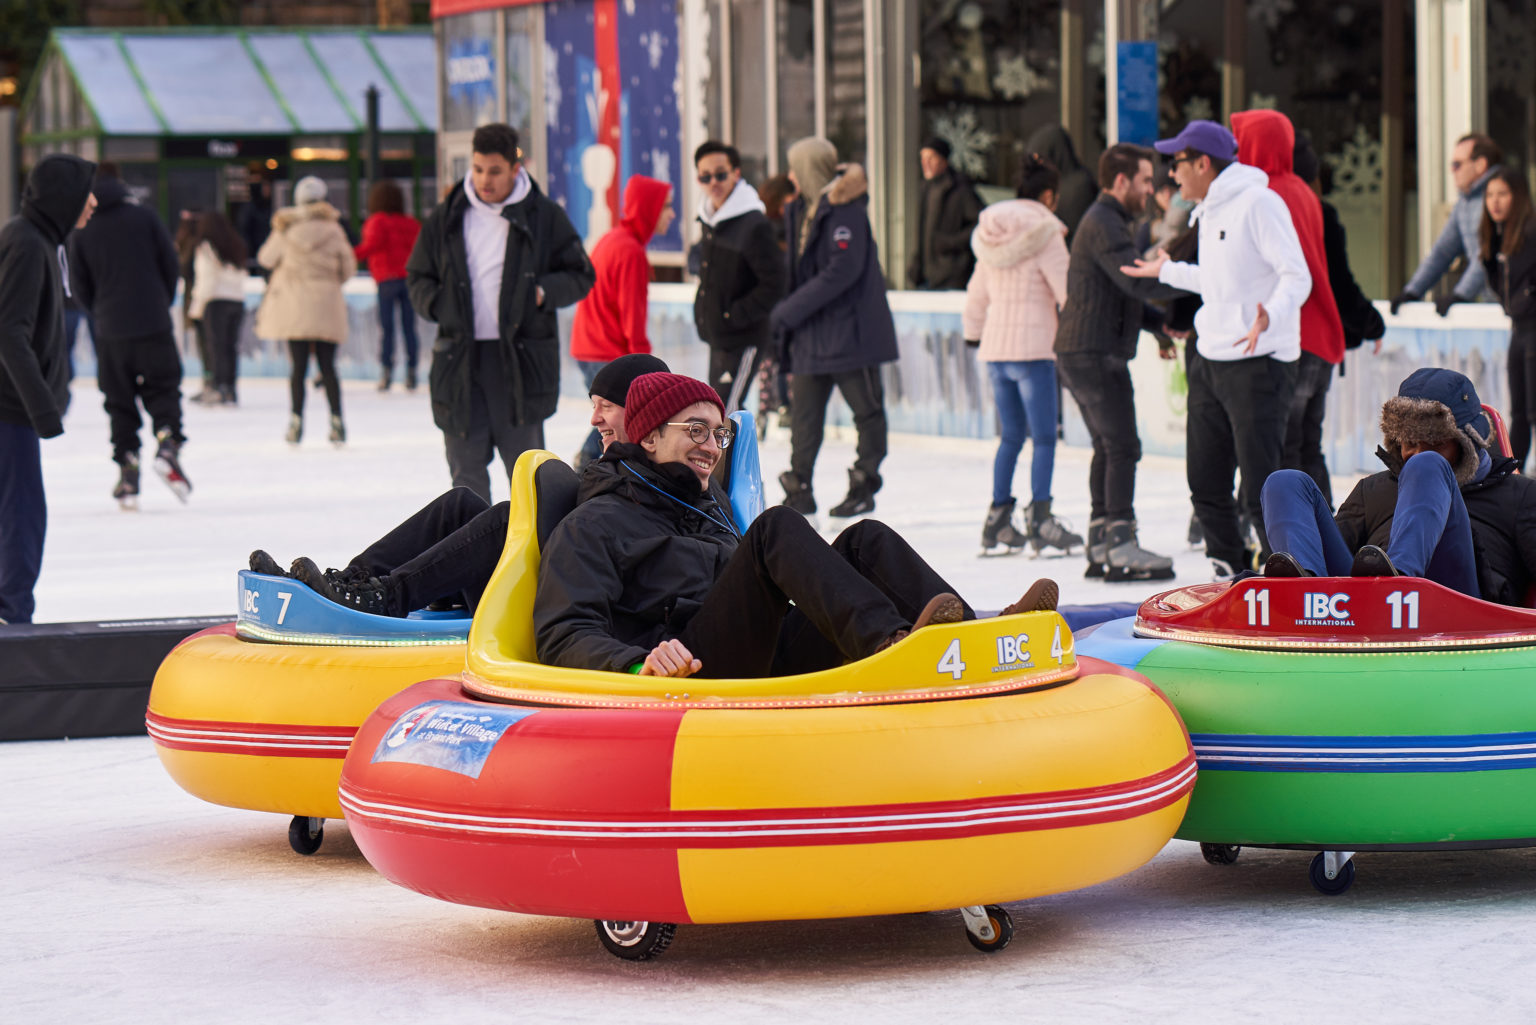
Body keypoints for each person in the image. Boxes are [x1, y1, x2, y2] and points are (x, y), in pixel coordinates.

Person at [534, 371, 1059, 678]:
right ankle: (890, 649)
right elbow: (562, 633)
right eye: (695, 429)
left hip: (764, 655)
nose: (709, 447)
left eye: (718, 435)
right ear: (648, 437)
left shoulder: (705, 511)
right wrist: (636, 663)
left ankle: (972, 643)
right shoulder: (596, 521)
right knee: (773, 528)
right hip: (691, 671)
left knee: (863, 539)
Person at [253, 353, 671, 617]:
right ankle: (352, 583)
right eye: (593, 406)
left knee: (506, 519)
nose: (594, 420)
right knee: (461, 503)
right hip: (545, 581)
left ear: (640, 413)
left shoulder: (655, 479)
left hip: (549, 609)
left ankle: (387, 598)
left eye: (607, 408)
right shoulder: (616, 465)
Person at [1125, 120, 1310, 578]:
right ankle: (1231, 571)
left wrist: (1272, 312)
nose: (1173, 174)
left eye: (1178, 163)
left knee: (1261, 486)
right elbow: (1218, 280)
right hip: (1211, 357)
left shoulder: (1259, 204)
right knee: (1205, 481)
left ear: (1204, 164)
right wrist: (1168, 272)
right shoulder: (1208, 209)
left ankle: (1290, 580)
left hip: (1259, 361)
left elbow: (1296, 275)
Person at [407, 123, 595, 503]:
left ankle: (529, 559)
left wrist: (542, 292)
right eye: (477, 170)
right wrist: (439, 304)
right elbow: (417, 275)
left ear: (515, 168)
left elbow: (581, 273)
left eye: (494, 171)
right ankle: (473, 555)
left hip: (520, 365)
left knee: (527, 478)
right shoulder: (448, 216)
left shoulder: (544, 215)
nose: (484, 180)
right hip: (460, 362)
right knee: (465, 478)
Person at [1261, 368, 1536, 607]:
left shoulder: (1519, 496)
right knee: (1284, 482)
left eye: (1434, 443)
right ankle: (1298, 593)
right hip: (1368, 607)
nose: (1416, 453)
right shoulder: (1373, 491)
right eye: (1409, 442)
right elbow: (1327, 550)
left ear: (1467, 443)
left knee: (1428, 466)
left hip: (1461, 608)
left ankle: (1399, 581)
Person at [1054, 144, 1187, 581]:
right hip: (1093, 354)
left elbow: (1119, 291)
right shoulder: (1105, 222)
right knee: (1124, 446)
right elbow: (1134, 281)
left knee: (1109, 447)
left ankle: (1102, 539)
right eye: (1146, 181)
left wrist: (1161, 326)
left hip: (1084, 349)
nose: (1151, 190)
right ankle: (1120, 542)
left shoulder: (1108, 221)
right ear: (1122, 180)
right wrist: (1185, 288)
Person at [771, 138, 898, 518]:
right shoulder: (801, 210)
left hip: (849, 335)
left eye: (796, 167)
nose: (790, 175)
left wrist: (788, 311)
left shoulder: (847, 212)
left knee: (867, 412)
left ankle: (864, 482)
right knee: (804, 418)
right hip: (810, 336)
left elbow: (841, 271)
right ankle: (800, 488)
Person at [962, 153, 1080, 555]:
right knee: (1044, 437)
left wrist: (973, 332)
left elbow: (977, 292)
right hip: (1033, 351)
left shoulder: (991, 233)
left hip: (996, 350)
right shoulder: (1046, 231)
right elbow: (1067, 290)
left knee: (1011, 437)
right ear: (1048, 195)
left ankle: (996, 520)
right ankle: (1041, 519)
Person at [1230, 110, 1345, 509]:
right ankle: (1331, 535)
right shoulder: (1302, 190)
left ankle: (1297, 548)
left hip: (1290, 336)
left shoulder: (1263, 195)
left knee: (1282, 451)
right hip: (1324, 336)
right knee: (1308, 447)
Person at [0, 154, 96, 624]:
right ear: (64, 199)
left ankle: (11, 613)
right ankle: (12, 618)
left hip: (14, 409)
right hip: (10, 410)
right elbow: (8, 331)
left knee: (21, 518)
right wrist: (42, 408)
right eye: (85, 194)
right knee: (22, 520)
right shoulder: (26, 242)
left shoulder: (41, 241)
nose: (93, 203)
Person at [69, 163, 190, 507]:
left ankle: (128, 467)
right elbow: (171, 265)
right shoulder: (146, 218)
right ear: (121, 182)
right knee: (163, 388)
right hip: (152, 322)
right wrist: (159, 303)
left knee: (119, 400)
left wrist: (102, 313)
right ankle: (167, 441)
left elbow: (79, 284)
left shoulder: (84, 228)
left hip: (111, 330)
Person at [1292, 136, 1387, 504]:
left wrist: (1368, 321)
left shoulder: (1285, 209)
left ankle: (1287, 528)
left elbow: (1335, 281)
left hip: (1295, 345)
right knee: (1306, 441)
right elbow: (1340, 284)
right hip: (1320, 346)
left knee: (1285, 442)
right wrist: (1368, 322)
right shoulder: (1321, 212)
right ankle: (1322, 525)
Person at [569, 174, 674, 465]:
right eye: (666, 206)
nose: (672, 214)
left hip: (591, 346)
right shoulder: (630, 251)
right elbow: (633, 318)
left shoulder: (614, 239)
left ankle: (592, 467)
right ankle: (589, 468)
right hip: (606, 351)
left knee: (614, 419)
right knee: (617, 422)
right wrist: (647, 368)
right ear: (649, 208)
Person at [256, 175, 355, 446]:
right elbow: (348, 268)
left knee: (298, 368)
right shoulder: (334, 229)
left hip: (294, 304)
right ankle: (337, 421)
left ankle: (295, 421)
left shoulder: (286, 228)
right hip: (326, 305)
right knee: (328, 367)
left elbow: (265, 258)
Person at [690, 140, 785, 410]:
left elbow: (775, 282)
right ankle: (731, 455)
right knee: (717, 413)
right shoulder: (710, 219)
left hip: (741, 337)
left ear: (736, 173)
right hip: (718, 336)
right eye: (705, 177)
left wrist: (734, 315)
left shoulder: (753, 224)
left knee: (722, 415)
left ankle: (729, 455)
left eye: (720, 174)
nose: (713, 183)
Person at [1391, 134, 1502, 315]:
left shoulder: (1498, 198)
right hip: (1496, 306)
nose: (1452, 171)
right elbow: (1442, 252)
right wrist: (1412, 291)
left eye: (1457, 164)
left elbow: (1488, 254)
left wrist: (1460, 295)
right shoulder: (1464, 203)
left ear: (1480, 165)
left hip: (1520, 306)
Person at [1481, 167, 1536, 469]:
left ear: (1518, 196)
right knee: (1520, 412)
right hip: (1519, 330)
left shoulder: (1529, 233)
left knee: (1531, 412)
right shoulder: (1500, 239)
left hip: (1532, 329)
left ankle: (1512, 477)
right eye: (1490, 195)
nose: (1495, 202)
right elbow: (1503, 291)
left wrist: (1525, 297)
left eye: (1502, 194)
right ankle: (1511, 477)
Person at [354, 180, 422, 392]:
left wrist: (348, 256)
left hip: (386, 278)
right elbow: (421, 249)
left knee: (387, 328)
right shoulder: (411, 223)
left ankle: (387, 370)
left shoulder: (377, 222)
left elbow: (370, 246)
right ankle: (412, 371)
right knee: (409, 328)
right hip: (409, 278)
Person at [187, 211, 247, 407]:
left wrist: (197, 306)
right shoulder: (235, 245)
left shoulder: (205, 248)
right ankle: (230, 388)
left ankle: (217, 388)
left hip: (214, 301)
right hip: (236, 301)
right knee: (230, 347)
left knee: (216, 347)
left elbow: (207, 279)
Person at [906, 137, 983, 290]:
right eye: (922, 158)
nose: (925, 163)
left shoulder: (961, 189)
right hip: (926, 276)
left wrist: (951, 242)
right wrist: (916, 263)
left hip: (951, 276)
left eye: (931, 157)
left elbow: (980, 224)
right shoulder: (925, 188)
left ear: (943, 160)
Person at [1024, 124, 1099, 243]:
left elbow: (1074, 231)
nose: (1039, 165)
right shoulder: (1056, 182)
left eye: (1041, 158)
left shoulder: (1079, 186)